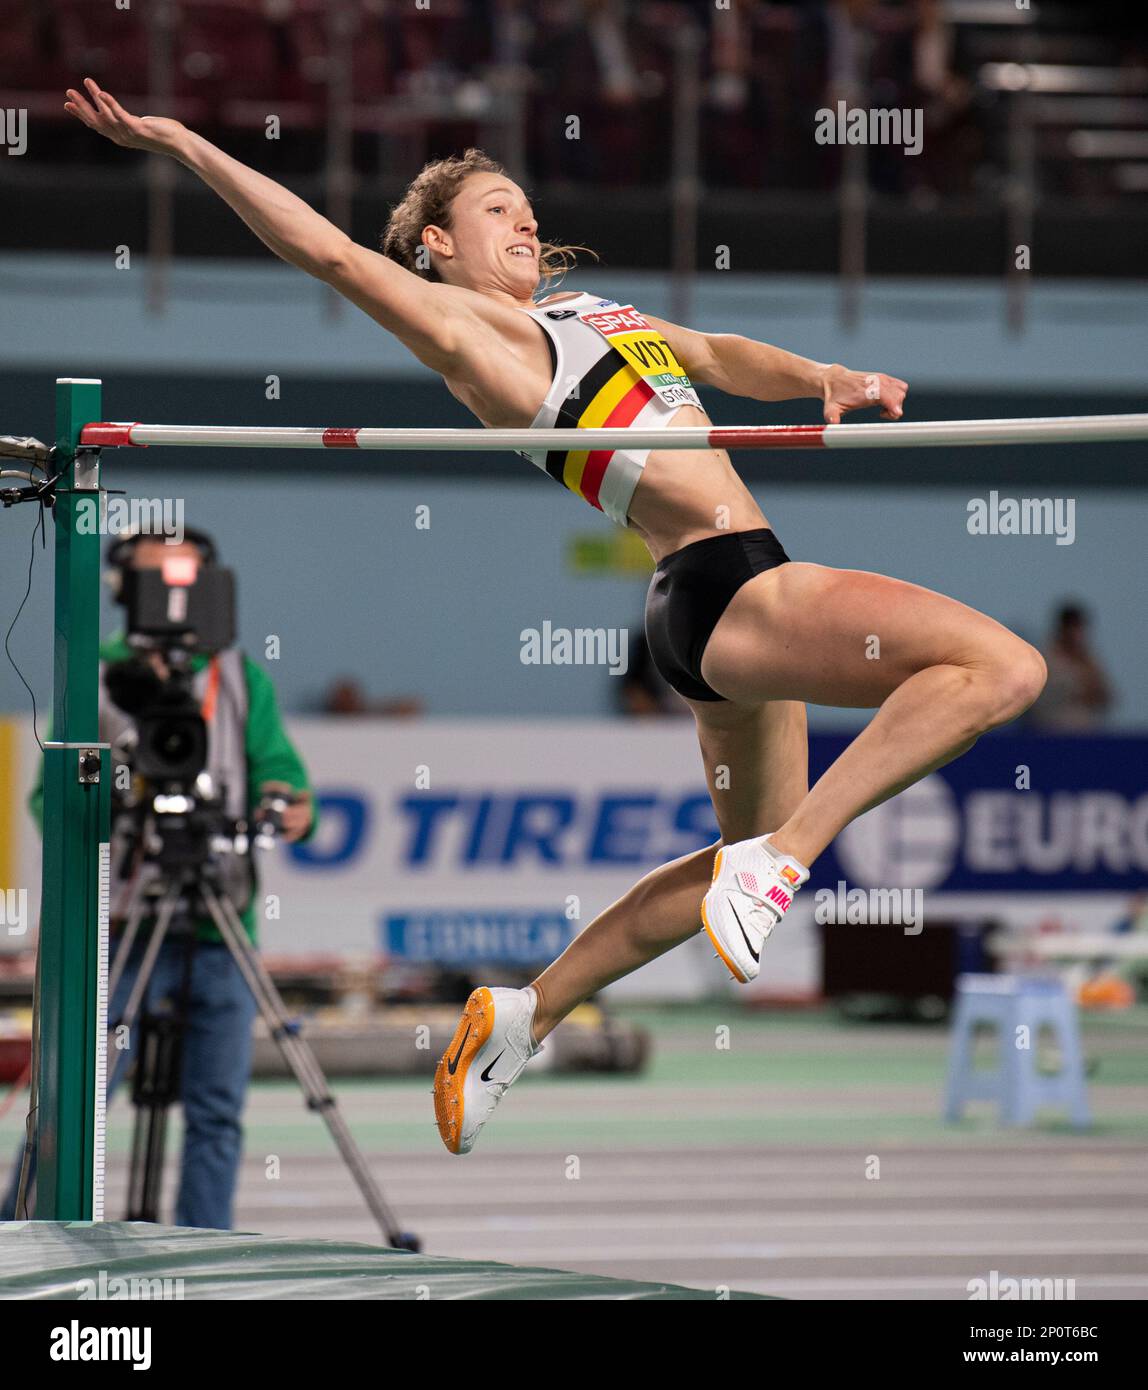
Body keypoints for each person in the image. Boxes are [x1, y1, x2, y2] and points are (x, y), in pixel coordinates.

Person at [63, 78, 1047, 1158]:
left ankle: (525, 1014)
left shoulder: (586, 314)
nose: (524, 219)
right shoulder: (467, 326)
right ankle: (795, 856)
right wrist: (185, 143)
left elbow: (715, 356)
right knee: (998, 670)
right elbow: (332, 255)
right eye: (496, 210)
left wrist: (823, 373)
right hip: (729, 584)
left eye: (526, 205)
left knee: (739, 853)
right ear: (436, 244)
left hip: (700, 604)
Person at [1, 528, 315, 1225]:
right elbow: (49, 802)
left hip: (218, 923)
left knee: (216, 1114)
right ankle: (18, 1236)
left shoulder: (238, 676)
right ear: (122, 589)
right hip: (119, 932)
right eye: (154, 581)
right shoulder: (95, 673)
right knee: (73, 1105)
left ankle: (203, 1252)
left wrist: (292, 806)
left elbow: (284, 776)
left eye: (187, 581)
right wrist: (112, 800)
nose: (173, 600)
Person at [1029, 602, 1113, 731]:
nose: (1076, 635)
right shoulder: (1045, 660)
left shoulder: (1088, 660)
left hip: (1086, 732)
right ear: (1062, 629)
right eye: (1072, 628)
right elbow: (1037, 703)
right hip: (1051, 732)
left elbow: (1105, 697)